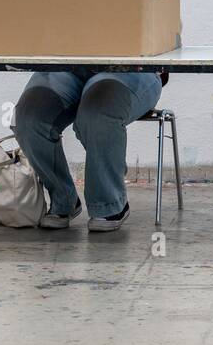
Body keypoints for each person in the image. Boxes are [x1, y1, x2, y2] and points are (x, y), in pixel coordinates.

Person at [11, 71, 164, 230]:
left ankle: (108, 203)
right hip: (67, 64)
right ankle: (64, 199)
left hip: (130, 70)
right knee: (28, 119)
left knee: (98, 115)